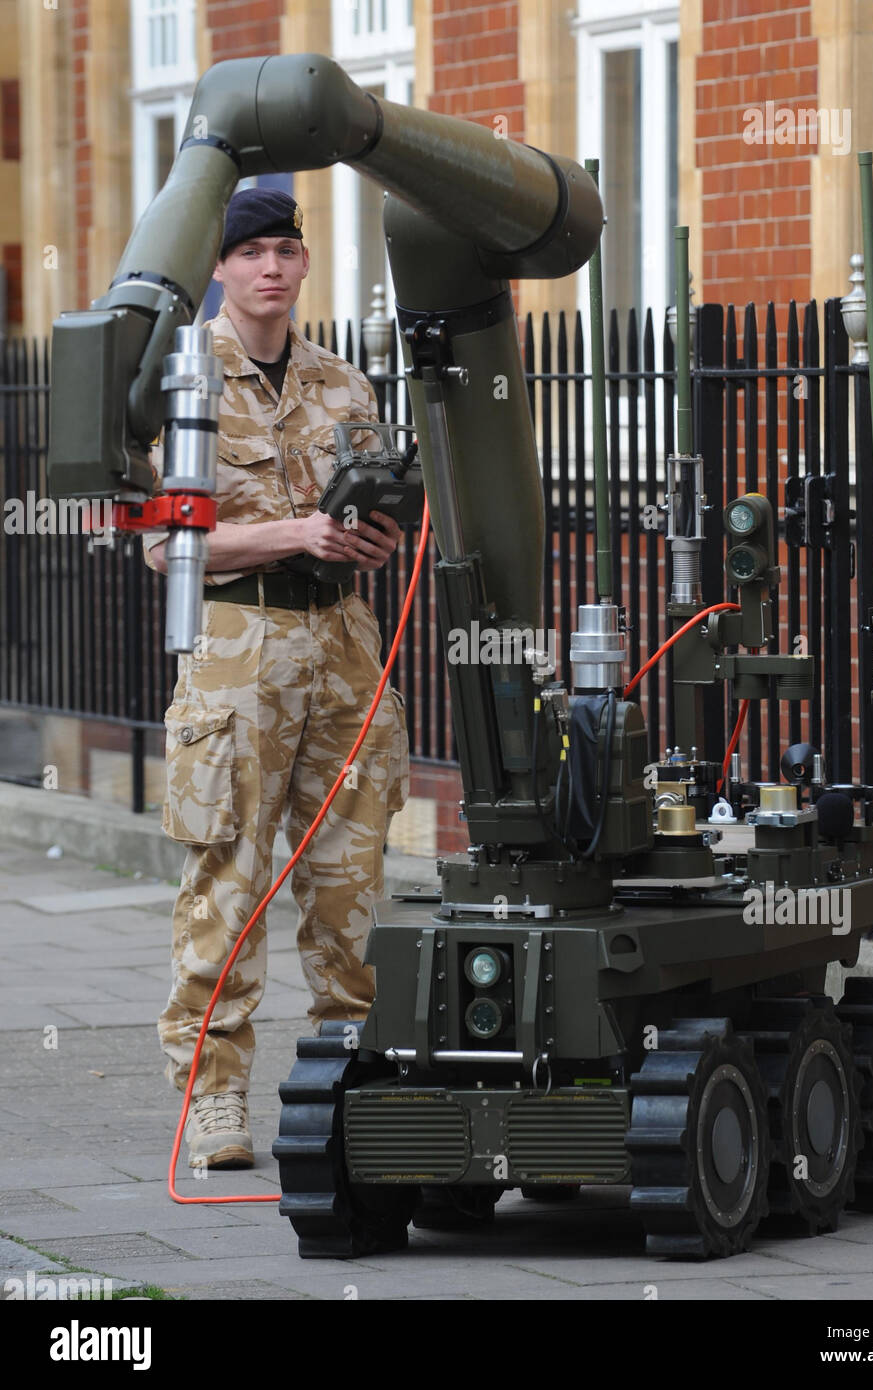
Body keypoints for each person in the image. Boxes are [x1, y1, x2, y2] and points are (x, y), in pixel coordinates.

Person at [143, 187, 409, 1170]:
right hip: (237, 649)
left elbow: (373, 509)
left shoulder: (344, 384)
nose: (270, 268)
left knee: (351, 879)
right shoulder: (179, 380)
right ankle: (213, 1095)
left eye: (285, 251)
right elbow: (166, 546)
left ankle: (347, 1077)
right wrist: (296, 531)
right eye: (250, 252)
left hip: (342, 642)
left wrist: (373, 538)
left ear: (303, 263)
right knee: (230, 876)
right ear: (219, 268)